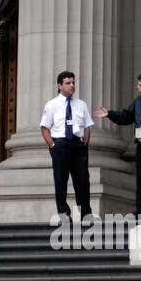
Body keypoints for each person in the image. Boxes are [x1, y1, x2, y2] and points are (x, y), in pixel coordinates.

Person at [94, 73, 141, 216]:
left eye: (140, 85)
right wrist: (109, 114)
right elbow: (126, 116)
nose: (137, 87)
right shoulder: (138, 101)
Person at [41, 71, 94, 219]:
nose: (72, 86)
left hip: (78, 145)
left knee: (83, 180)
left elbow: (87, 126)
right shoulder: (52, 105)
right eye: (68, 83)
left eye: (73, 83)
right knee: (60, 179)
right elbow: (45, 127)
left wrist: (85, 144)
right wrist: (52, 145)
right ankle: (63, 213)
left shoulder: (81, 104)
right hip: (60, 144)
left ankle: (85, 214)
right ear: (60, 85)